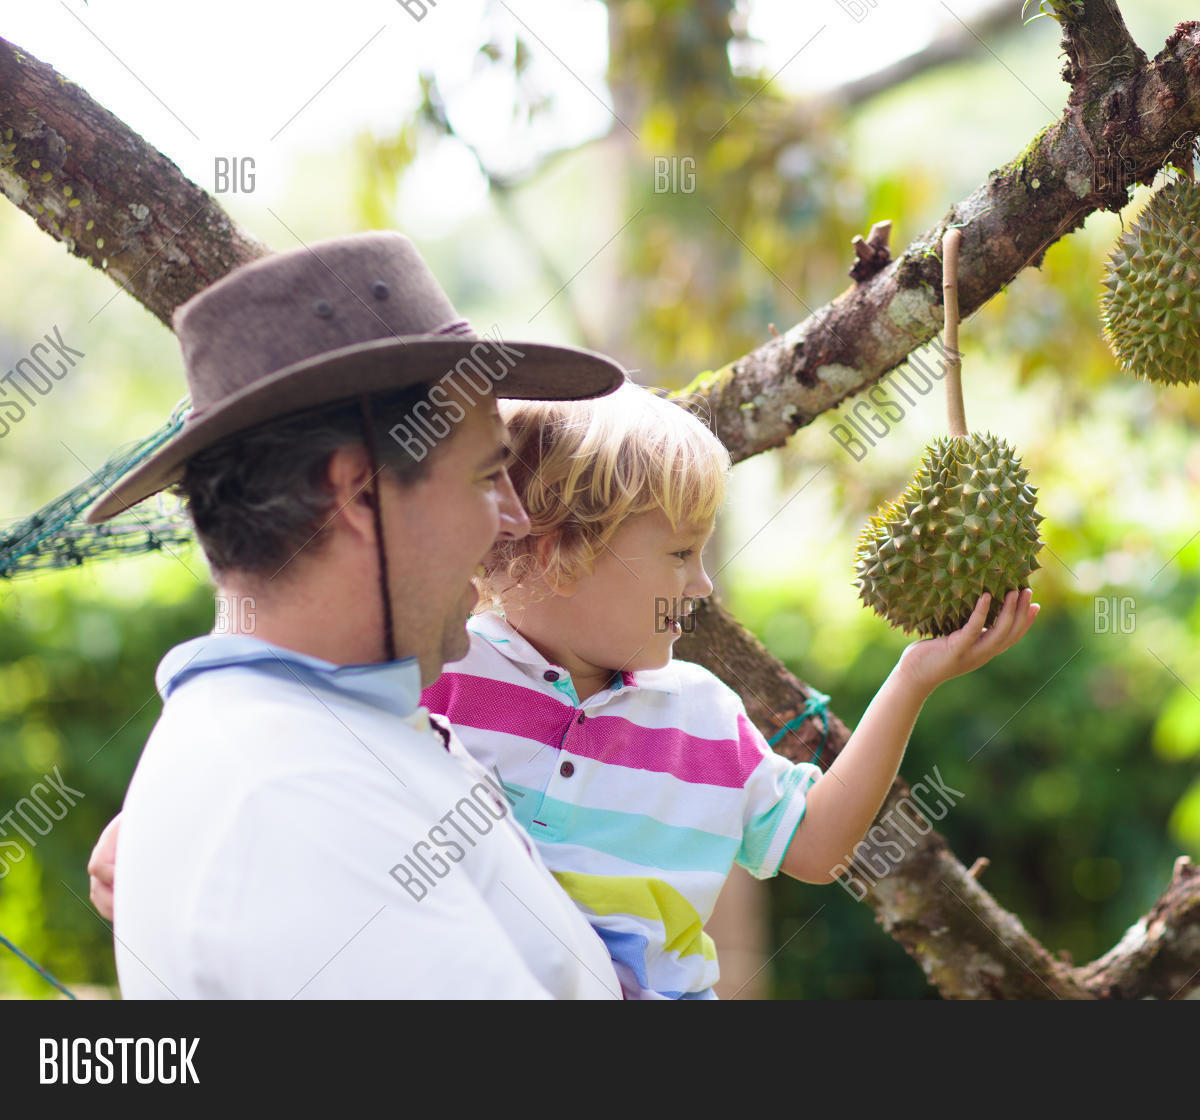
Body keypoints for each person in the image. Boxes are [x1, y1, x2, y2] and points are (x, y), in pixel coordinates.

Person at [89, 231, 629, 998]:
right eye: (486, 476)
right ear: (361, 494)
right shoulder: (295, 803)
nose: (514, 518)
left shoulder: (325, 736)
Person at [420, 381, 1040, 998]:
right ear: (564, 555)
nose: (702, 585)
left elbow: (818, 847)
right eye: (681, 553)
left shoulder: (701, 715)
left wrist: (911, 678)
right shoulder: (442, 680)